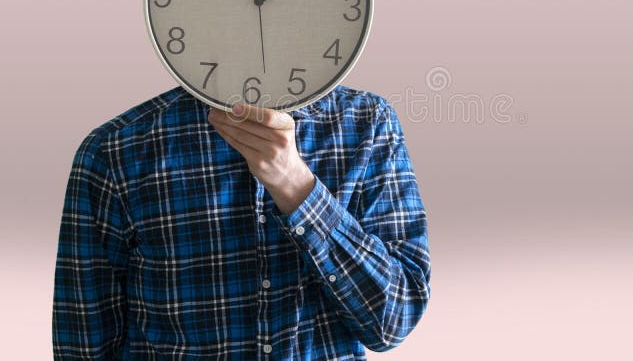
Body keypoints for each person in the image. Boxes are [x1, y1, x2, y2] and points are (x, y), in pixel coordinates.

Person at [52, 84, 431, 359]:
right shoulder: (115, 150)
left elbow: (393, 321)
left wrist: (296, 185)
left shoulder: (367, 124)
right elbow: (82, 344)